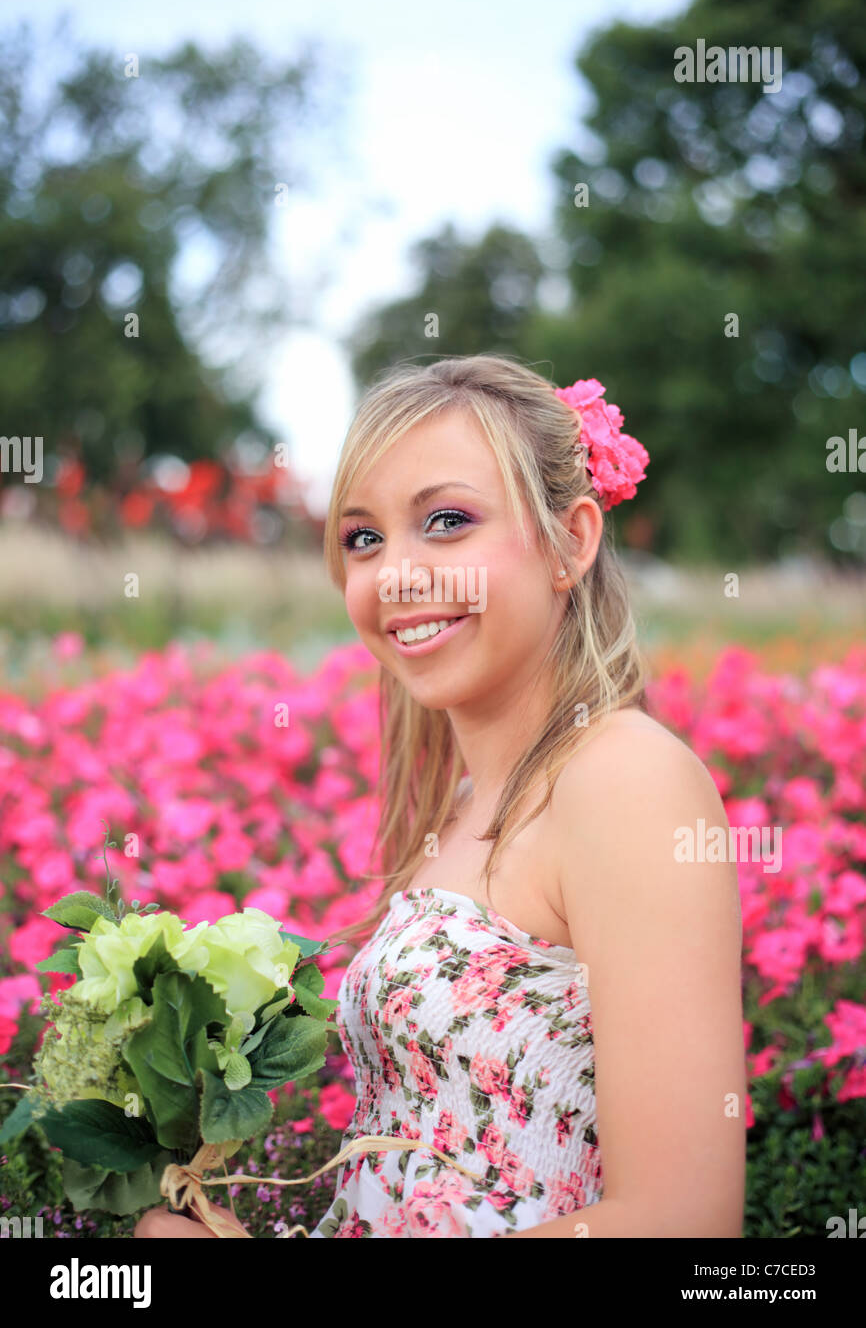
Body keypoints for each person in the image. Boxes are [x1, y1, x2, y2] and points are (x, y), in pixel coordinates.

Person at [136, 354, 745, 1239]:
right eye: (363, 538)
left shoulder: (625, 781)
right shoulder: (463, 804)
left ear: (571, 540)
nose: (397, 575)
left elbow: (683, 1223)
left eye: (447, 522)